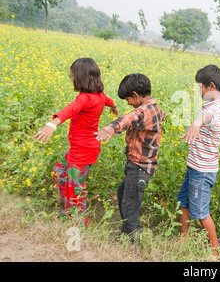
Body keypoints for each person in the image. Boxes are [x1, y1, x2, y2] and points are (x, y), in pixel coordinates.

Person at [33, 58, 118, 227]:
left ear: (80, 78)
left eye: (72, 76)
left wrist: (52, 124)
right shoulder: (98, 95)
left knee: (76, 186)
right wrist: (113, 106)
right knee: (59, 172)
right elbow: (107, 100)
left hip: (82, 151)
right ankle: (68, 211)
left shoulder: (85, 99)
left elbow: (70, 110)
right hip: (82, 149)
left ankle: (80, 222)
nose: (71, 79)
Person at [96, 73, 165, 239]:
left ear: (135, 95)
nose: (128, 104)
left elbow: (132, 116)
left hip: (140, 167)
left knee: (129, 206)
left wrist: (112, 127)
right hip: (137, 165)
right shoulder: (151, 107)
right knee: (123, 195)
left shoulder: (146, 111)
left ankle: (129, 240)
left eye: (128, 100)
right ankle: (135, 231)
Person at [176, 65, 220, 256]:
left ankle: (214, 252)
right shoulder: (218, 102)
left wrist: (197, 123)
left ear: (211, 85)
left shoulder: (214, 110)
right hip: (195, 166)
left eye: (201, 87)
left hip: (203, 170)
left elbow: (207, 116)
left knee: (200, 212)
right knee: (184, 203)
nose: (199, 91)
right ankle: (182, 240)